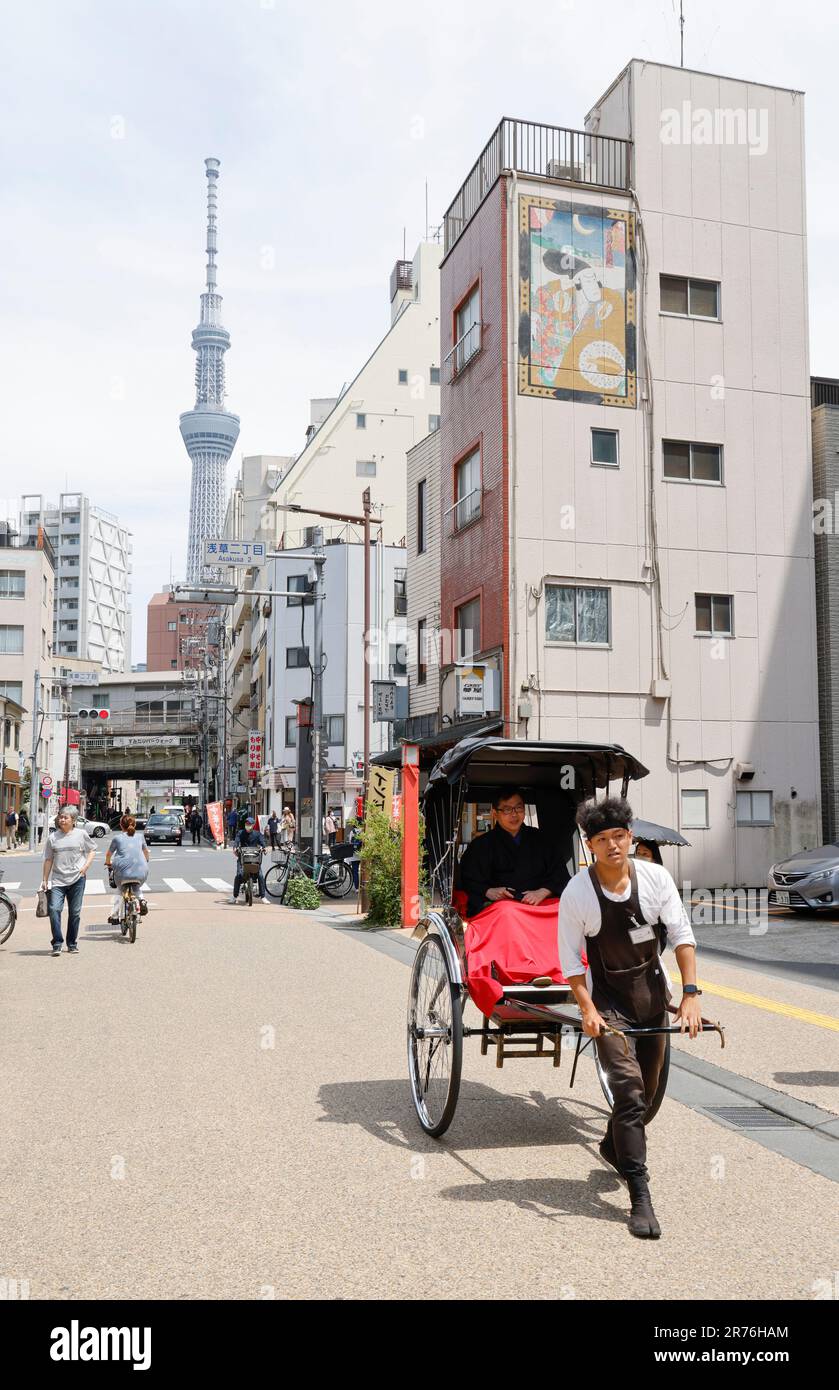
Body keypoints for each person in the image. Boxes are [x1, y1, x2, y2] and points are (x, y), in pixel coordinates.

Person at [559, 797, 701, 1240]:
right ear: (590, 846)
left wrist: (692, 993)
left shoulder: (656, 878)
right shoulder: (578, 893)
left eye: (619, 836)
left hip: (653, 998)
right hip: (610, 1006)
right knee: (630, 1092)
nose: (613, 844)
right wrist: (586, 1008)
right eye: (602, 839)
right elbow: (570, 962)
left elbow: (681, 934)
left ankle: (611, 1143)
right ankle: (640, 1197)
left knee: (649, 1095)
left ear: (630, 837)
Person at [457, 786, 570, 917]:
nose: (514, 814)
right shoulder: (481, 845)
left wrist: (543, 892)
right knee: (507, 913)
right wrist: (488, 891)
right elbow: (468, 879)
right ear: (495, 814)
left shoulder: (542, 839)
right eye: (507, 809)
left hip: (540, 902)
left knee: (565, 912)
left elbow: (560, 874)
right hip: (502, 906)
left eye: (518, 808)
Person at [41, 804, 97, 955]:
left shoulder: (81, 834)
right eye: (60, 817)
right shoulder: (52, 838)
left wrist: (85, 867)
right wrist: (45, 880)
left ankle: (72, 943)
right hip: (58, 880)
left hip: (77, 879)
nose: (62, 820)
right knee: (54, 910)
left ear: (73, 820)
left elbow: (92, 850)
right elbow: (48, 859)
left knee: (75, 913)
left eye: (65, 817)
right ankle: (57, 943)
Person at [105, 814, 150, 925]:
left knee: (120, 890)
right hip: (141, 871)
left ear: (121, 826)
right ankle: (142, 900)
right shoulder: (140, 837)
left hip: (122, 872)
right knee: (137, 887)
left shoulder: (117, 838)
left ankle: (114, 915)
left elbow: (108, 854)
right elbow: (146, 853)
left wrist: (108, 862)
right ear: (134, 825)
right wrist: (145, 861)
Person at [229, 816, 266, 903]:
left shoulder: (257, 834)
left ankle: (263, 896)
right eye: (246, 824)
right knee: (238, 876)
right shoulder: (241, 833)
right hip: (243, 857)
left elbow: (262, 842)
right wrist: (234, 848)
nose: (247, 825)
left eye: (249, 824)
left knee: (260, 876)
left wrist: (263, 848)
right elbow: (237, 841)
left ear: (253, 825)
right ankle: (234, 896)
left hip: (254, 858)